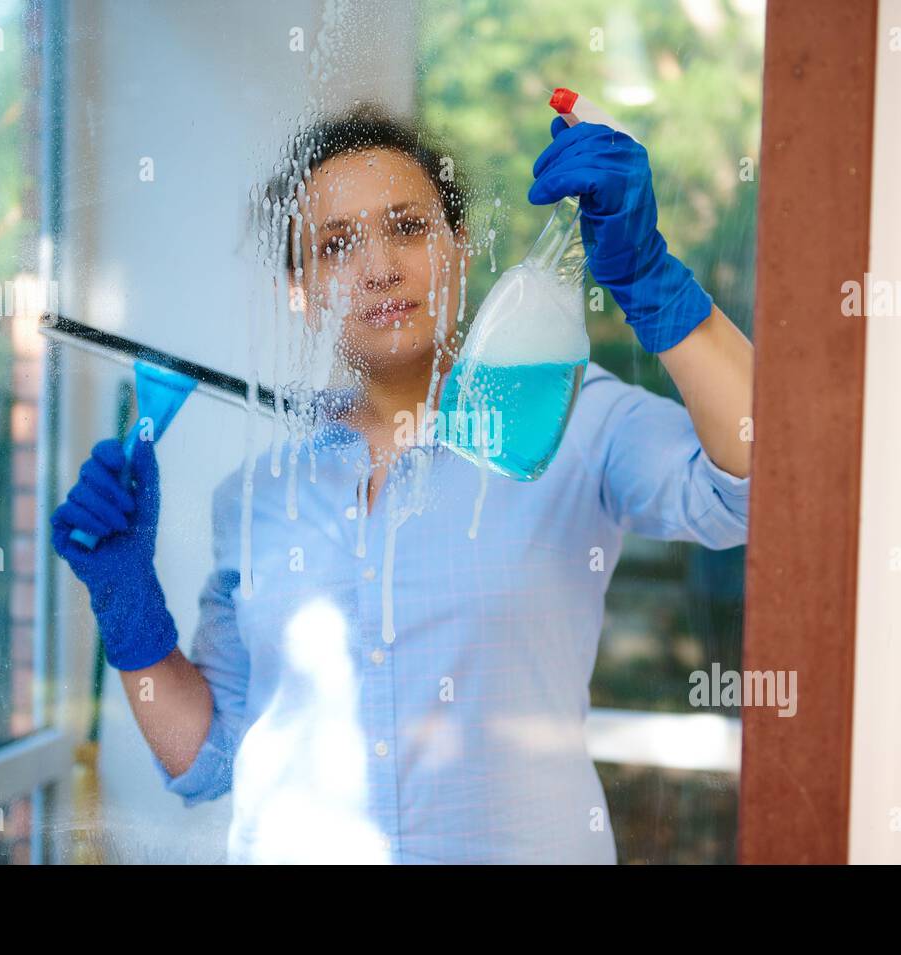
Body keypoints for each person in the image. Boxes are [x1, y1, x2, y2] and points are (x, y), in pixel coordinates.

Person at [51, 103, 755, 864]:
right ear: (301, 287)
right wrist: (126, 602)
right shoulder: (258, 497)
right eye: (338, 244)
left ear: (457, 245)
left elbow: (748, 485)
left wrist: (653, 281)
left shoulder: (568, 419)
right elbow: (208, 760)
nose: (380, 266)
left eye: (409, 228)